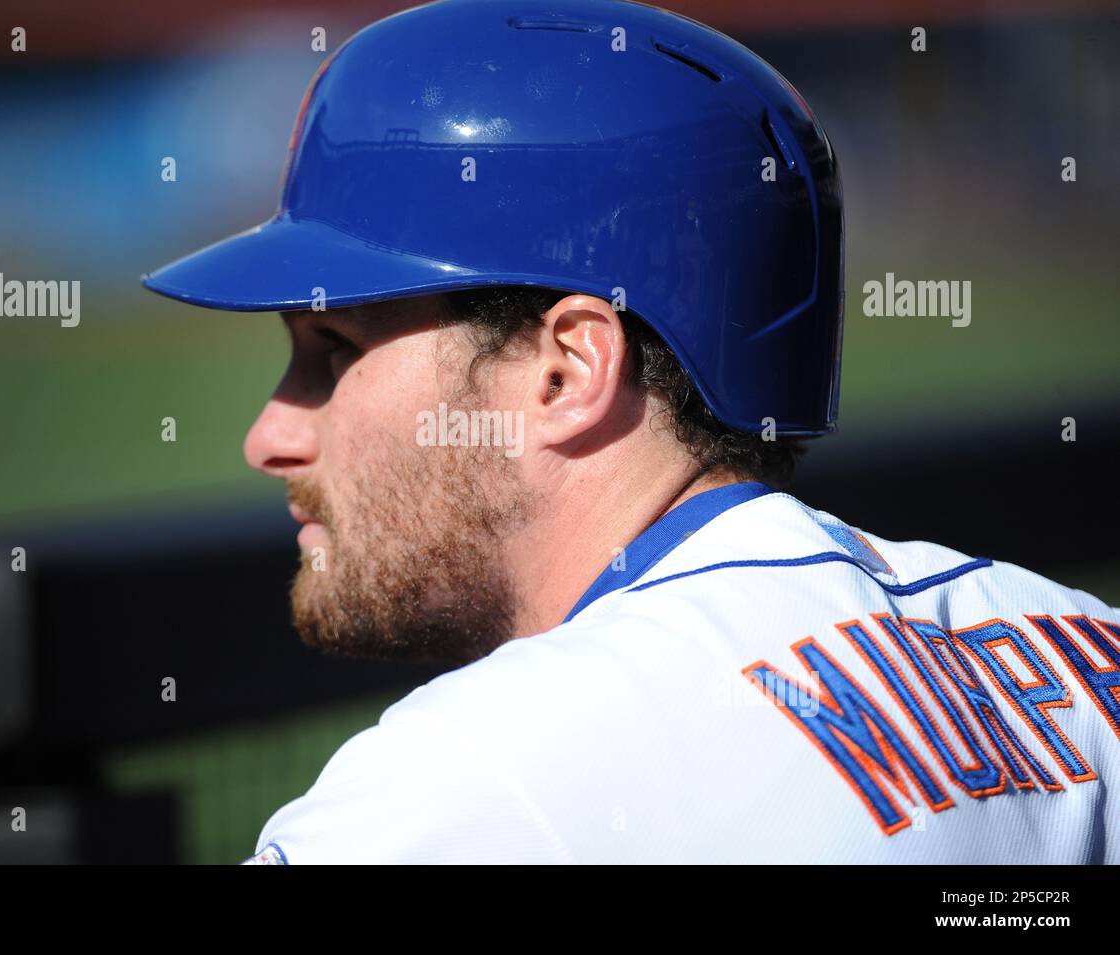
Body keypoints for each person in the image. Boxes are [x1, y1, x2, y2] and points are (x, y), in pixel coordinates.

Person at [143, 0, 1119, 863]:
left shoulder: (467, 781)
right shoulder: (1082, 653)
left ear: (567, 368)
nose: (270, 434)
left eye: (333, 353)